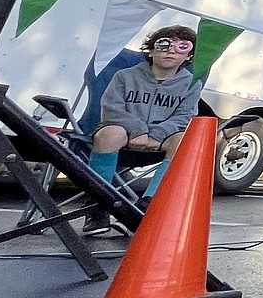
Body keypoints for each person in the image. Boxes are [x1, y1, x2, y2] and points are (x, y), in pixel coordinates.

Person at [85, 25, 205, 232]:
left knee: (185, 139)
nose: (171, 50)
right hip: (123, 134)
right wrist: (139, 130)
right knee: (110, 133)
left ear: (189, 56)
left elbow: (185, 116)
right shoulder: (125, 76)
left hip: (162, 140)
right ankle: (97, 205)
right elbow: (111, 108)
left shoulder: (192, 84)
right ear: (150, 50)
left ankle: (149, 204)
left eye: (181, 47)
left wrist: (157, 134)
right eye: (164, 44)